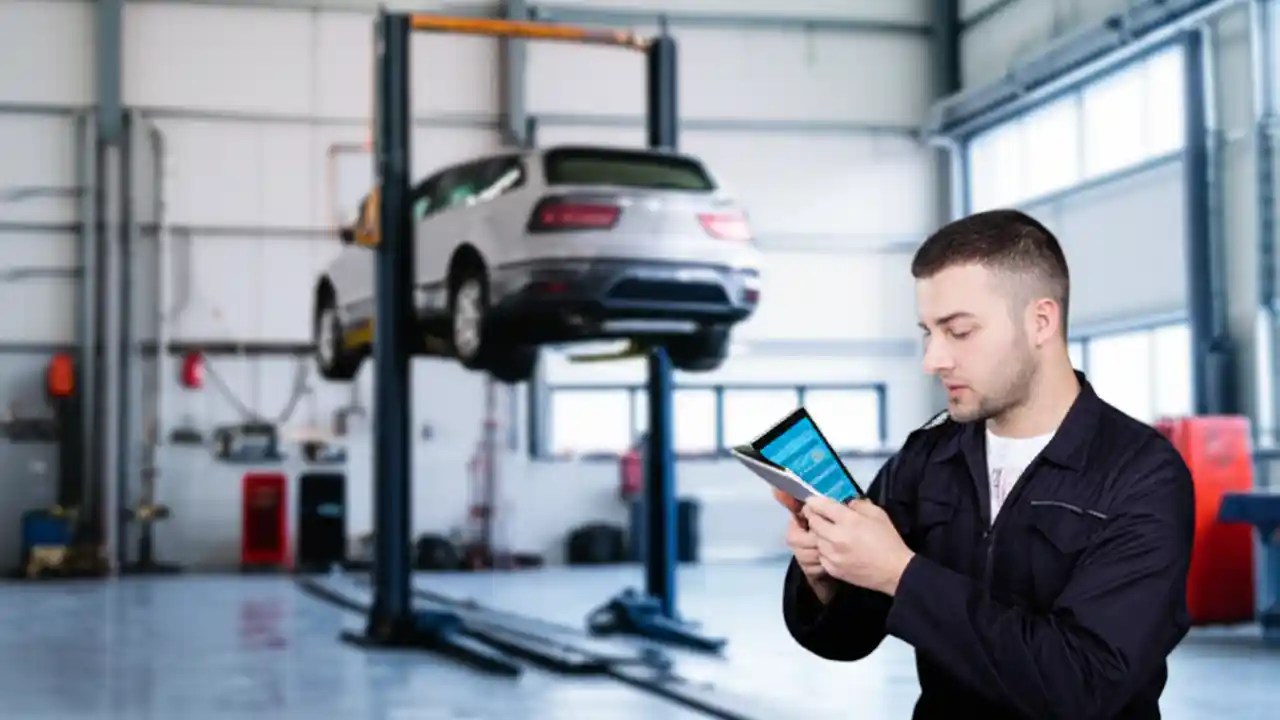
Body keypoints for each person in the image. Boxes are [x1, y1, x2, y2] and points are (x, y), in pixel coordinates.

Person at [777, 209, 1195, 719]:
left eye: (959, 331)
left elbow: (1084, 685)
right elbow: (847, 639)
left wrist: (900, 574)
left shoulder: (1141, 475)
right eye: (928, 332)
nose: (933, 359)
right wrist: (825, 573)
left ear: (1041, 321)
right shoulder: (927, 457)